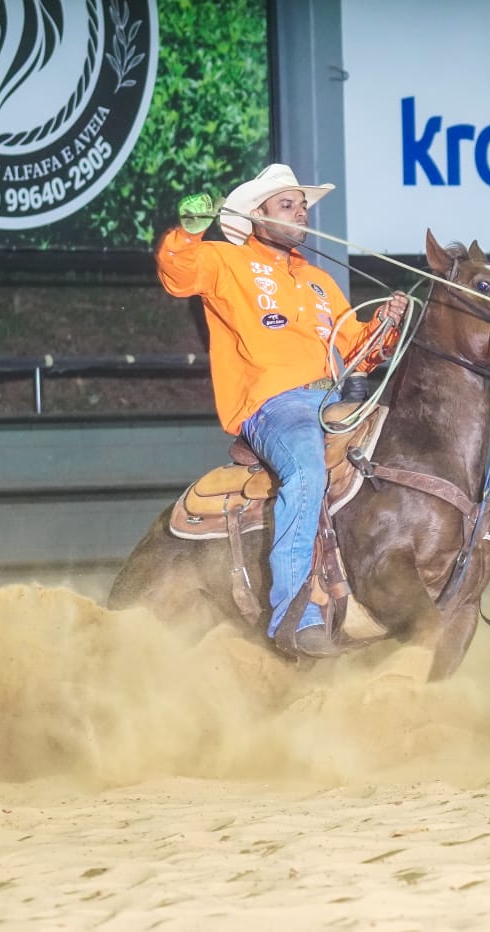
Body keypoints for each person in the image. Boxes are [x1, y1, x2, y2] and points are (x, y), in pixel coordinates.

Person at [157, 163, 407, 658]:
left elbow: (359, 349)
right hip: (274, 404)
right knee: (308, 471)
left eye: (303, 206)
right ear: (256, 214)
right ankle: (295, 615)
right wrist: (187, 231)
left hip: (336, 400)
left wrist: (386, 324)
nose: (302, 213)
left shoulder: (318, 281)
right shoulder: (224, 261)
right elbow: (177, 273)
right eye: (288, 205)